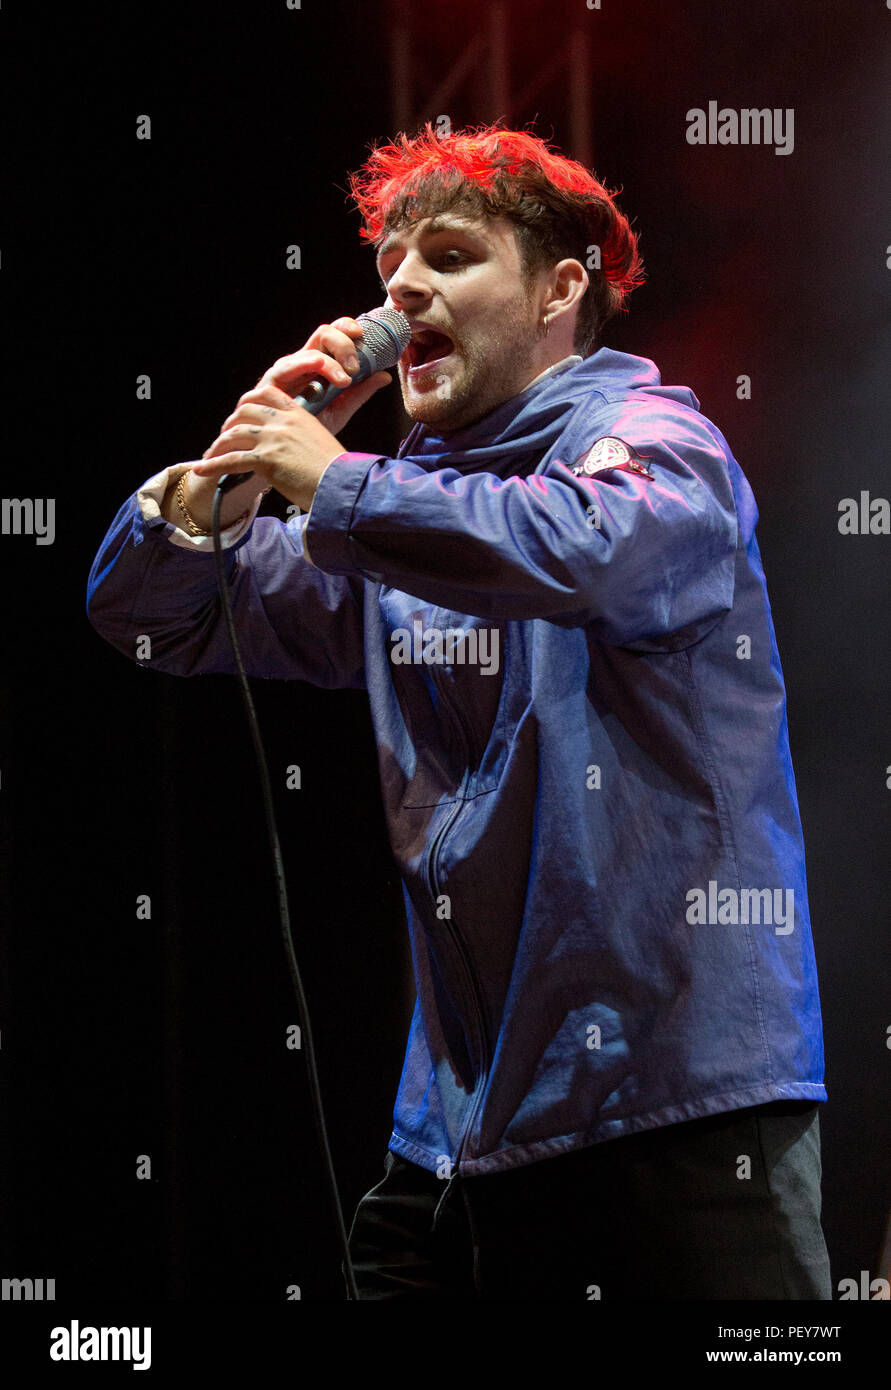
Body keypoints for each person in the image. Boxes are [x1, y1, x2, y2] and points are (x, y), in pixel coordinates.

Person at [86, 123, 831, 1300]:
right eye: (387, 269)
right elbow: (154, 617)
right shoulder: (394, 516)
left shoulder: (656, 440)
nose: (402, 288)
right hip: (455, 1130)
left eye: (448, 255)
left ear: (559, 288)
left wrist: (332, 481)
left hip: (673, 1105)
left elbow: (588, 552)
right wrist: (222, 478)